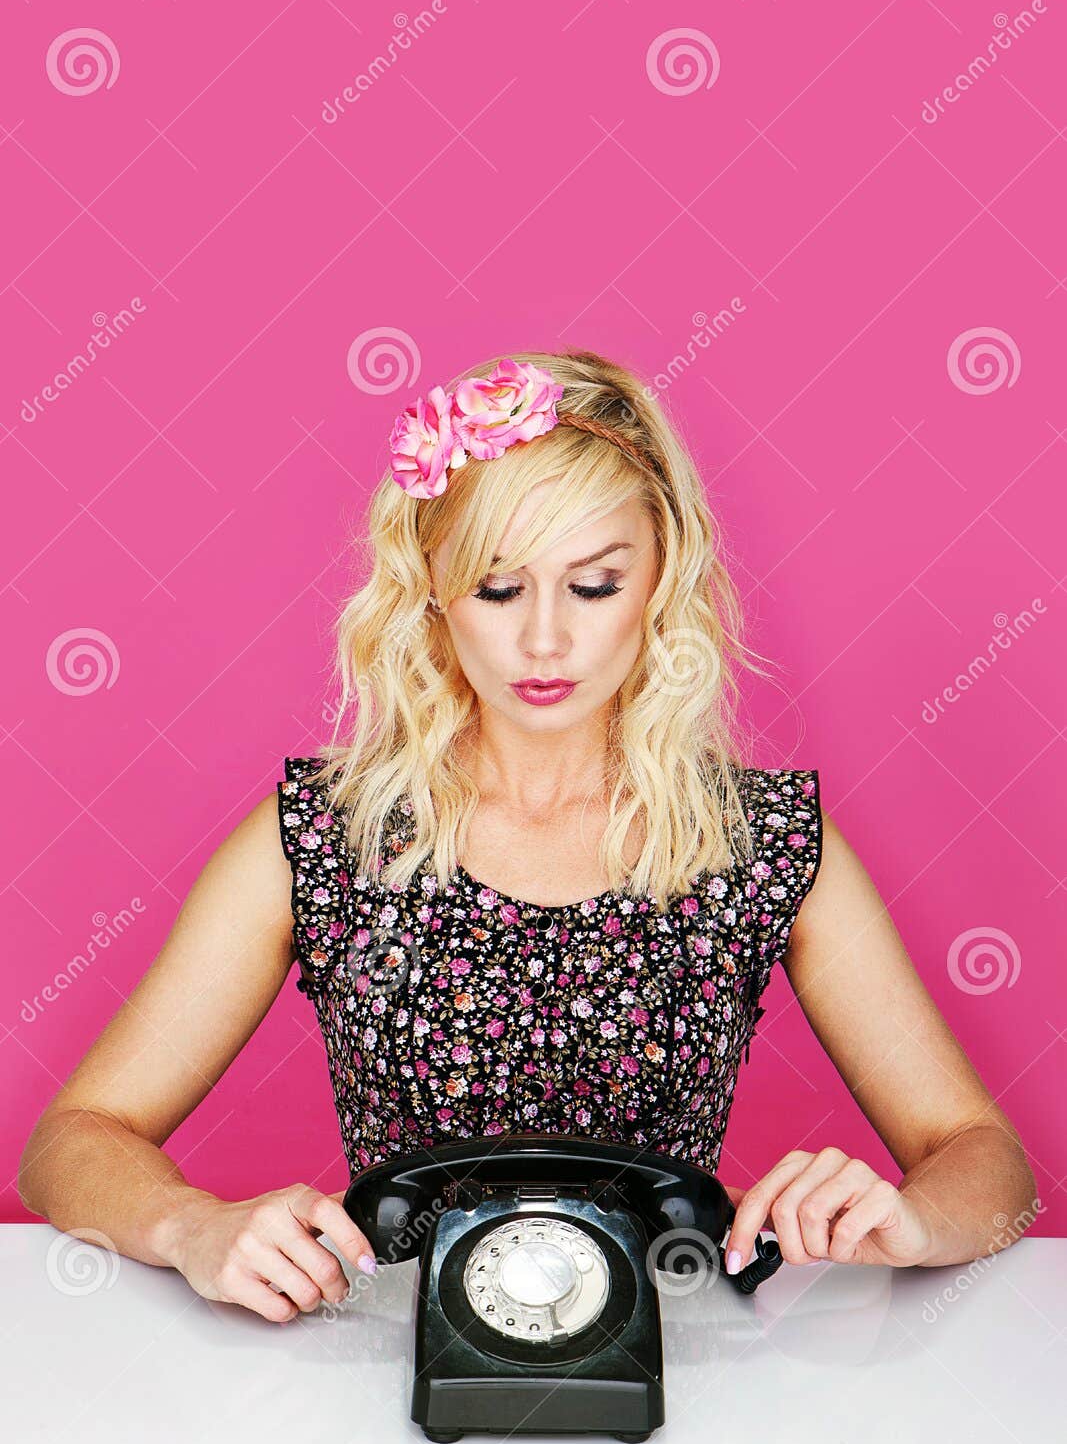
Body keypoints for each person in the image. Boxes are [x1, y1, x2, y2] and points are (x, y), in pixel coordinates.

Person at [18, 351, 1036, 1325]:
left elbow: (983, 1158)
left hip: (685, 1354)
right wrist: (189, 1225)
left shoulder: (758, 839)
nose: (543, 640)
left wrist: (910, 1221)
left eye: (592, 585)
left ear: (658, 578)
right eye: (497, 587)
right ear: (431, 585)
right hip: (391, 1340)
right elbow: (71, 1141)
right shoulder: (331, 833)